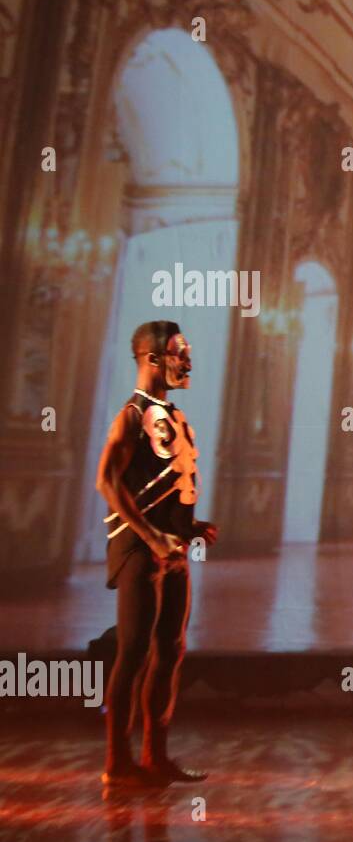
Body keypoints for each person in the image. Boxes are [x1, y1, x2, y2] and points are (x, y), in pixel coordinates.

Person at [95, 320, 216, 787]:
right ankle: (116, 762)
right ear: (151, 358)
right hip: (140, 550)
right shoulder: (130, 414)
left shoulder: (174, 416)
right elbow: (107, 481)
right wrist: (151, 537)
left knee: (171, 649)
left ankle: (154, 757)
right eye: (178, 353)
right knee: (134, 653)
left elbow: (170, 485)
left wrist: (189, 528)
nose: (187, 362)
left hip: (172, 549)